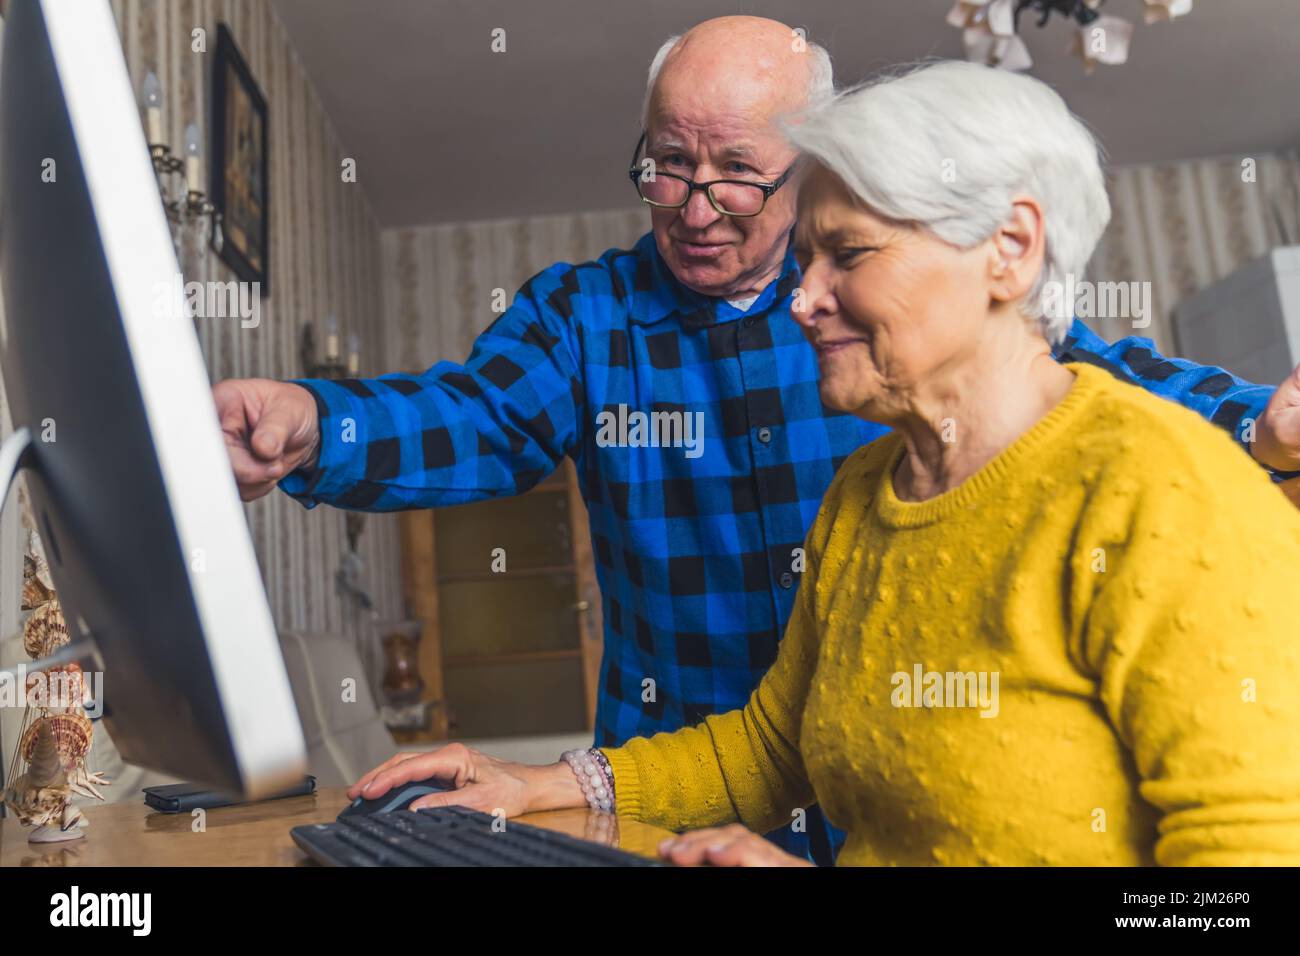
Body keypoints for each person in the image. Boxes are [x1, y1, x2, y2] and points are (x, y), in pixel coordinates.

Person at [214, 18, 1300, 863]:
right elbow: (472, 416)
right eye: (666, 165)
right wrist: (321, 422)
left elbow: (1082, 373)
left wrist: (1254, 420)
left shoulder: (1096, 447)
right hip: (678, 779)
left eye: (735, 169)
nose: (694, 204)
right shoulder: (597, 322)